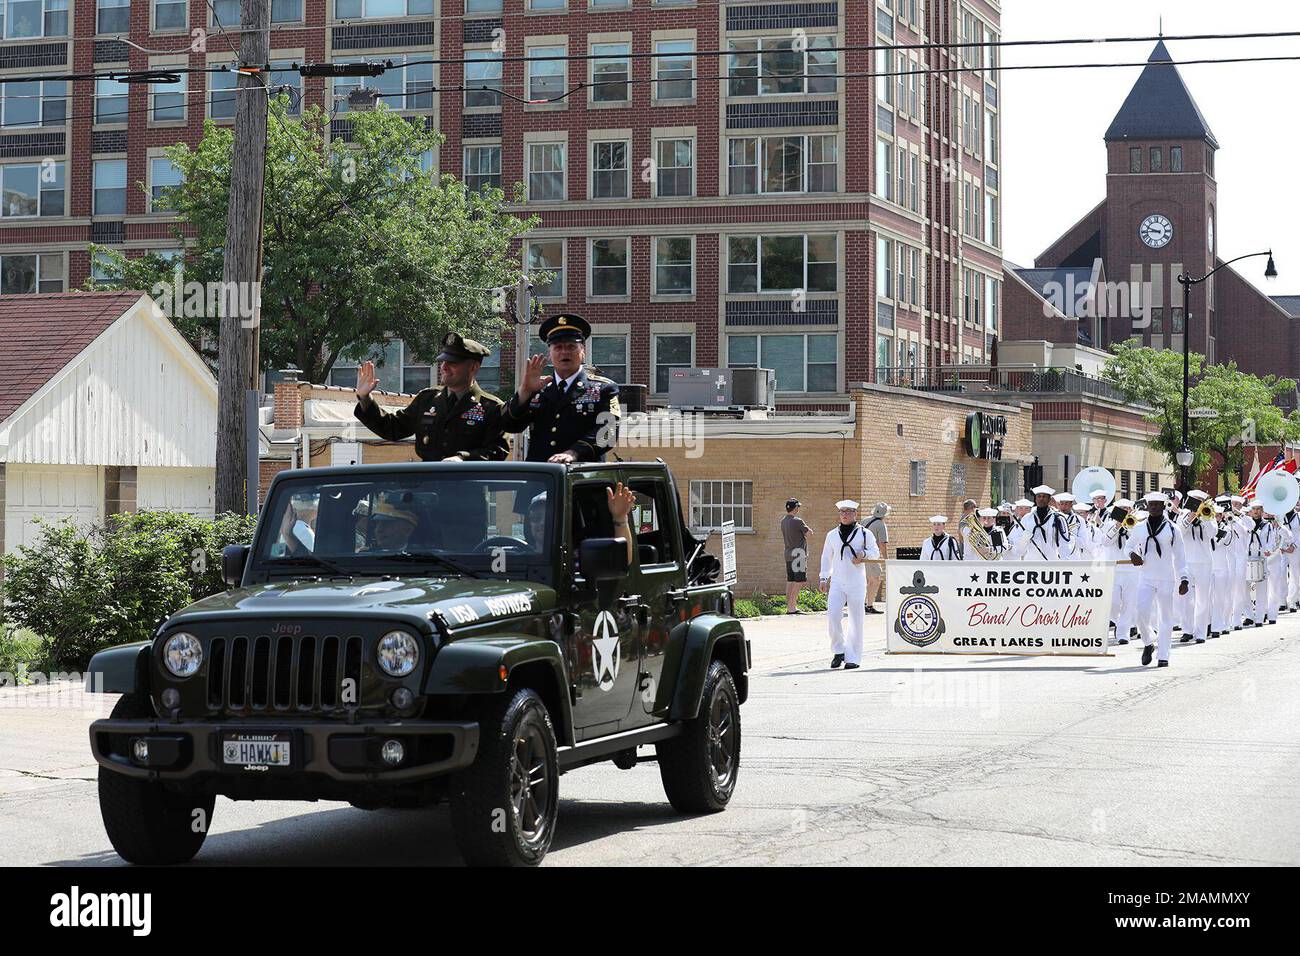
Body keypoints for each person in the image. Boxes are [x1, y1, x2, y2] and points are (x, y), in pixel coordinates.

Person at [353, 332, 510, 462]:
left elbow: (497, 451)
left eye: (453, 362)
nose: (444, 367)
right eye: (443, 361)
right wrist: (365, 398)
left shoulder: (492, 408)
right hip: (428, 486)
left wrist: (463, 459)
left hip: (468, 487)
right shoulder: (427, 399)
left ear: (473, 367)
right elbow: (393, 428)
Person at [500, 313, 620, 462]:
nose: (564, 352)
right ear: (550, 354)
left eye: (571, 346)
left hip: (582, 472)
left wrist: (574, 452)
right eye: (558, 347)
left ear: (583, 351)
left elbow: (609, 432)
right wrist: (524, 391)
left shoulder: (603, 389)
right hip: (541, 472)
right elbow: (509, 426)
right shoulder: (539, 389)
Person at [1128, 492, 1190, 667]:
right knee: (1140, 612)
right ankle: (1148, 642)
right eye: (1151, 504)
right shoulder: (1139, 528)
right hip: (1146, 577)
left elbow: (1180, 557)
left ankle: (1163, 655)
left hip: (1166, 578)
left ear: (1163, 506)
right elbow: (1128, 545)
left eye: (1157, 504)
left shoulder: (1173, 529)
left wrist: (1184, 579)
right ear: (1147, 506)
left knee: (1166, 617)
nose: (1154, 507)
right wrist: (1132, 554)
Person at [818, 500, 880, 670]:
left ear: (855, 514)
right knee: (833, 615)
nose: (844, 515)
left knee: (856, 619)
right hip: (837, 582)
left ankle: (853, 656)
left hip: (856, 581)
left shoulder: (865, 533)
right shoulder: (832, 535)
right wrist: (824, 577)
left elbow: (875, 552)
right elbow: (826, 557)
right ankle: (839, 650)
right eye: (842, 512)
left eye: (848, 512)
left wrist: (863, 554)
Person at [1096, 498, 1139, 644]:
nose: (1124, 512)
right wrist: (1117, 526)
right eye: (1121, 509)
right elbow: (1105, 542)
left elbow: (1139, 543)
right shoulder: (1108, 524)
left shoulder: (1136, 525)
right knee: (1113, 602)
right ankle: (1117, 622)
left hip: (1131, 569)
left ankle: (1123, 634)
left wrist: (1130, 527)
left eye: (1127, 509)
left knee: (1129, 602)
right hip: (1114, 569)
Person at [1178, 490, 1215, 644]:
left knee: (1202, 599)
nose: (1197, 503)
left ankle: (1201, 632)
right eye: (1195, 500)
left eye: (1200, 501)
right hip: (1187, 561)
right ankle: (1187, 630)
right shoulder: (1183, 514)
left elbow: (1212, 533)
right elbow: (1179, 532)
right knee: (1186, 598)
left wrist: (1205, 518)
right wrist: (1190, 517)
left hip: (1204, 562)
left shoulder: (1209, 514)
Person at [1012, 485, 1070, 561]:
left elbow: (1064, 544)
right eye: (1039, 496)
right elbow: (1018, 550)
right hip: (1031, 563)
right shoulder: (1027, 519)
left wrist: (1064, 562)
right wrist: (1025, 538)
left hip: (1051, 562)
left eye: (1044, 496)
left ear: (1049, 499)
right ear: (1035, 499)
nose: (1041, 499)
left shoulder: (1058, 519)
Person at [781, 498, 813, 614]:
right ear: (795, 508)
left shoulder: (783, 521)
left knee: (791, 580)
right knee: (798, 581)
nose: (798, 509)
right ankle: (792, 608)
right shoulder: (797, 521)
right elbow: (809, 533)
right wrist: (808, 531)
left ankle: (789, 606)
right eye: (798, 506)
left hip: (788, 554)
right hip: (798, 555)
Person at [862, 502, 891, 613]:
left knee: (866, 580)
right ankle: (869, 605)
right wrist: (886, 558)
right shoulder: (881, 525)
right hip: (872, 556)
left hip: (861, 555)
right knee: (875, 579)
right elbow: (882, 544)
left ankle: (863, 603)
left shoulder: (865, 520)